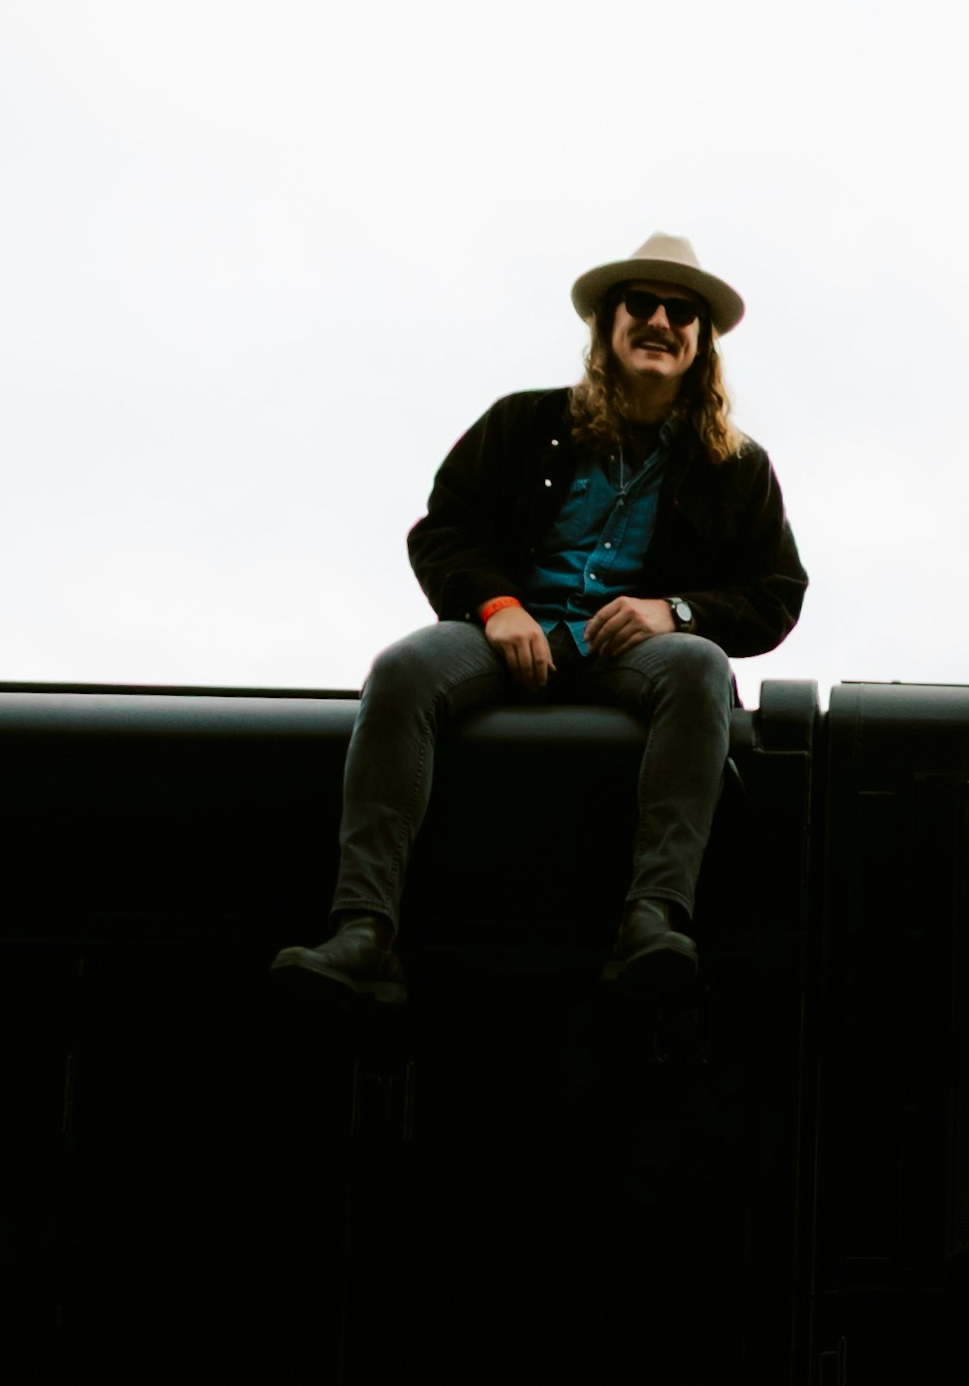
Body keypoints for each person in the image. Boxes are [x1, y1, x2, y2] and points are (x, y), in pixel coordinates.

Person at [274, 237, 807, 1008]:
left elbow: (777, 591)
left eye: (681, 310)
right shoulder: (523, 423)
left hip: (630, 655)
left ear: (701, 339)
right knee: (401, 669)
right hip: (507, 635)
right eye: (641, 304)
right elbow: (443, 529)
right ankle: (365, 930)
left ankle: (652, 918)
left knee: (697, 666)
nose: (660, 320)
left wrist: (676, 611)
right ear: (607, 323)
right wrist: (497, 605)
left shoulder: (737, 466)